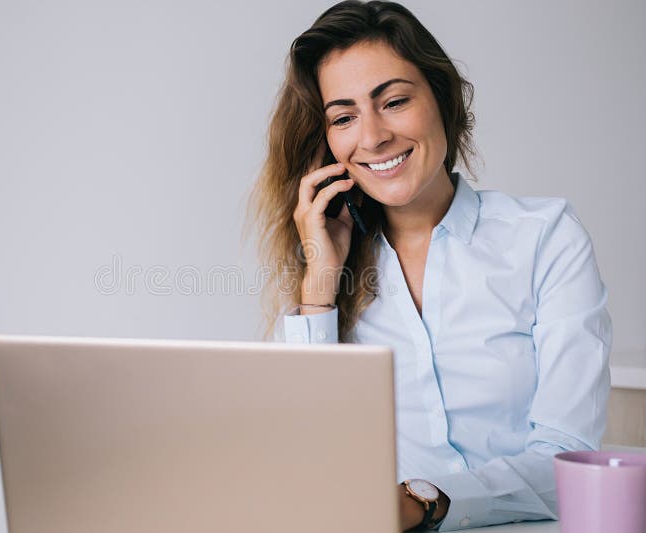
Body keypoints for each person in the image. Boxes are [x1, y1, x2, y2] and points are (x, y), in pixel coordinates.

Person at [247, 1, 612, 531]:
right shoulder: (334, 270)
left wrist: (424, 501)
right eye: (344, 117)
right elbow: (304, 452)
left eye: (393, 101)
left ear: (441, 98)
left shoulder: (546, 236)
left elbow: (568, 456)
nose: (372, 138)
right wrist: (319, 286)